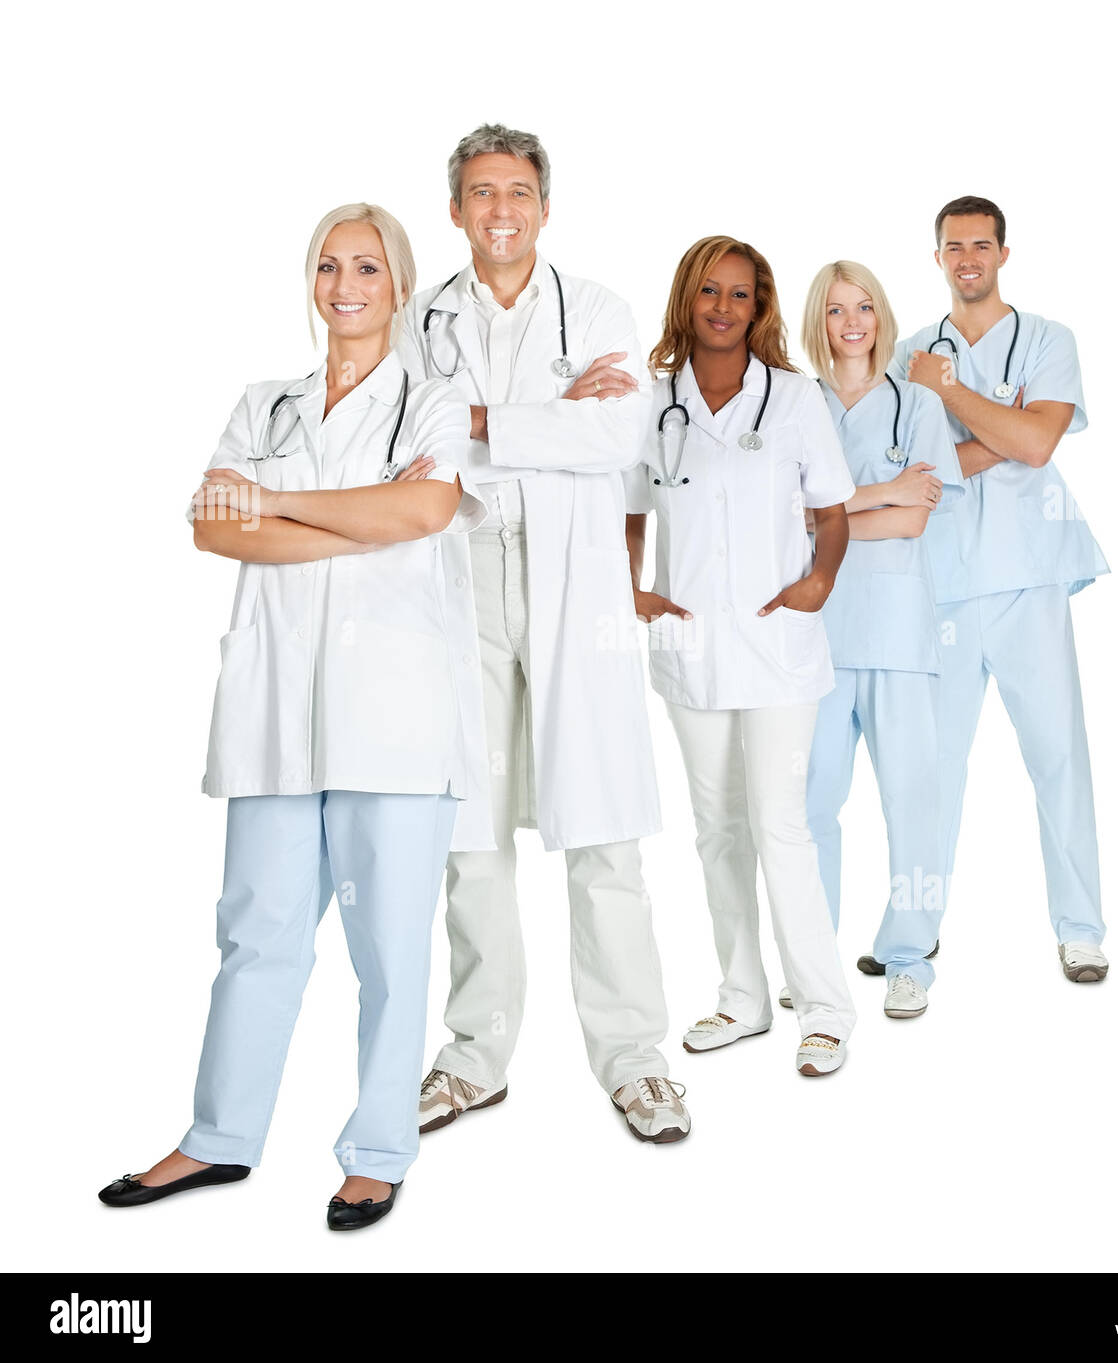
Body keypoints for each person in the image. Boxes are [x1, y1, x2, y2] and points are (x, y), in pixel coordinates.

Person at [97, 204, 490, 1231]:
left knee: (390, 950)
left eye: (366, 266)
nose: (344, 283)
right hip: (276, 706)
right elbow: (208, 527)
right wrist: (345, 516)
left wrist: (273, 505)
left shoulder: (437, 399)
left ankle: (375, 1150)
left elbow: (423, 514)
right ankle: (218, 1137)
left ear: (399, 282)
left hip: (395, 716)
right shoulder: (262, 401)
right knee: (255, 931)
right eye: (328, 265)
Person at [397, 123, 688, 1142]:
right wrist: (541, 414)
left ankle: (635, 1060)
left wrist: (480, 420)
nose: (500, 209)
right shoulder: (416, 318)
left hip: (575, 582)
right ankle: (474, 1056)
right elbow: (407, 431)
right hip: (461, 575)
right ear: (456, 209)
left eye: (517, 190)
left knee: (601, 821)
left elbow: (618, 432)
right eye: (481, 192)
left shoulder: (598, 307)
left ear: (545, 205)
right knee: (467, 826)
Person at [625, 236, 857, 1076]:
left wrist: (821, 580)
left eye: (742, 295)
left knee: (779, 823)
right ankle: (742, 996)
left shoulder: (793, 399)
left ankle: (825, 1007)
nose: (724, 308)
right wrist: (632, 587)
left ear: (760, 308)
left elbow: (832, 509)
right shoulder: (654, 403)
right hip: (691, 644)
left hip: (778, 645)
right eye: (710, 293)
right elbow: (630, 507)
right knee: (717, 831)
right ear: (687, 298)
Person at [892, 196, 1110, 983]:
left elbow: (1040, 439)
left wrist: (952, 402)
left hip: (1030, 579)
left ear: (1003, 253)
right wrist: (1000, 432)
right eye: (954, 246)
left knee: (1058, 755)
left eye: (981, 244)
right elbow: (907, 472)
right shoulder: (909, 350)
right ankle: (910, 936)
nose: (967, 258)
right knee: (931, 766)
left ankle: (1081, 929)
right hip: (942, 586)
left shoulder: (1049, 340)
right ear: (939, 256)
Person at [797, 261, 965, 1020]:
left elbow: (913, 519)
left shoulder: (920, 403)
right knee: (809, 805)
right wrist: (882, 493)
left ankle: (908, 958)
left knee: (911, 800)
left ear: (882, 314)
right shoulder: (796, 403)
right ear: (819, 322)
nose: (854, 321)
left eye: (864, 306)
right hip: (818, 639)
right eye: (837, 310)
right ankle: (814, 959)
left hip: (899, 633)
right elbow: (791, 516)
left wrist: (841, 510)